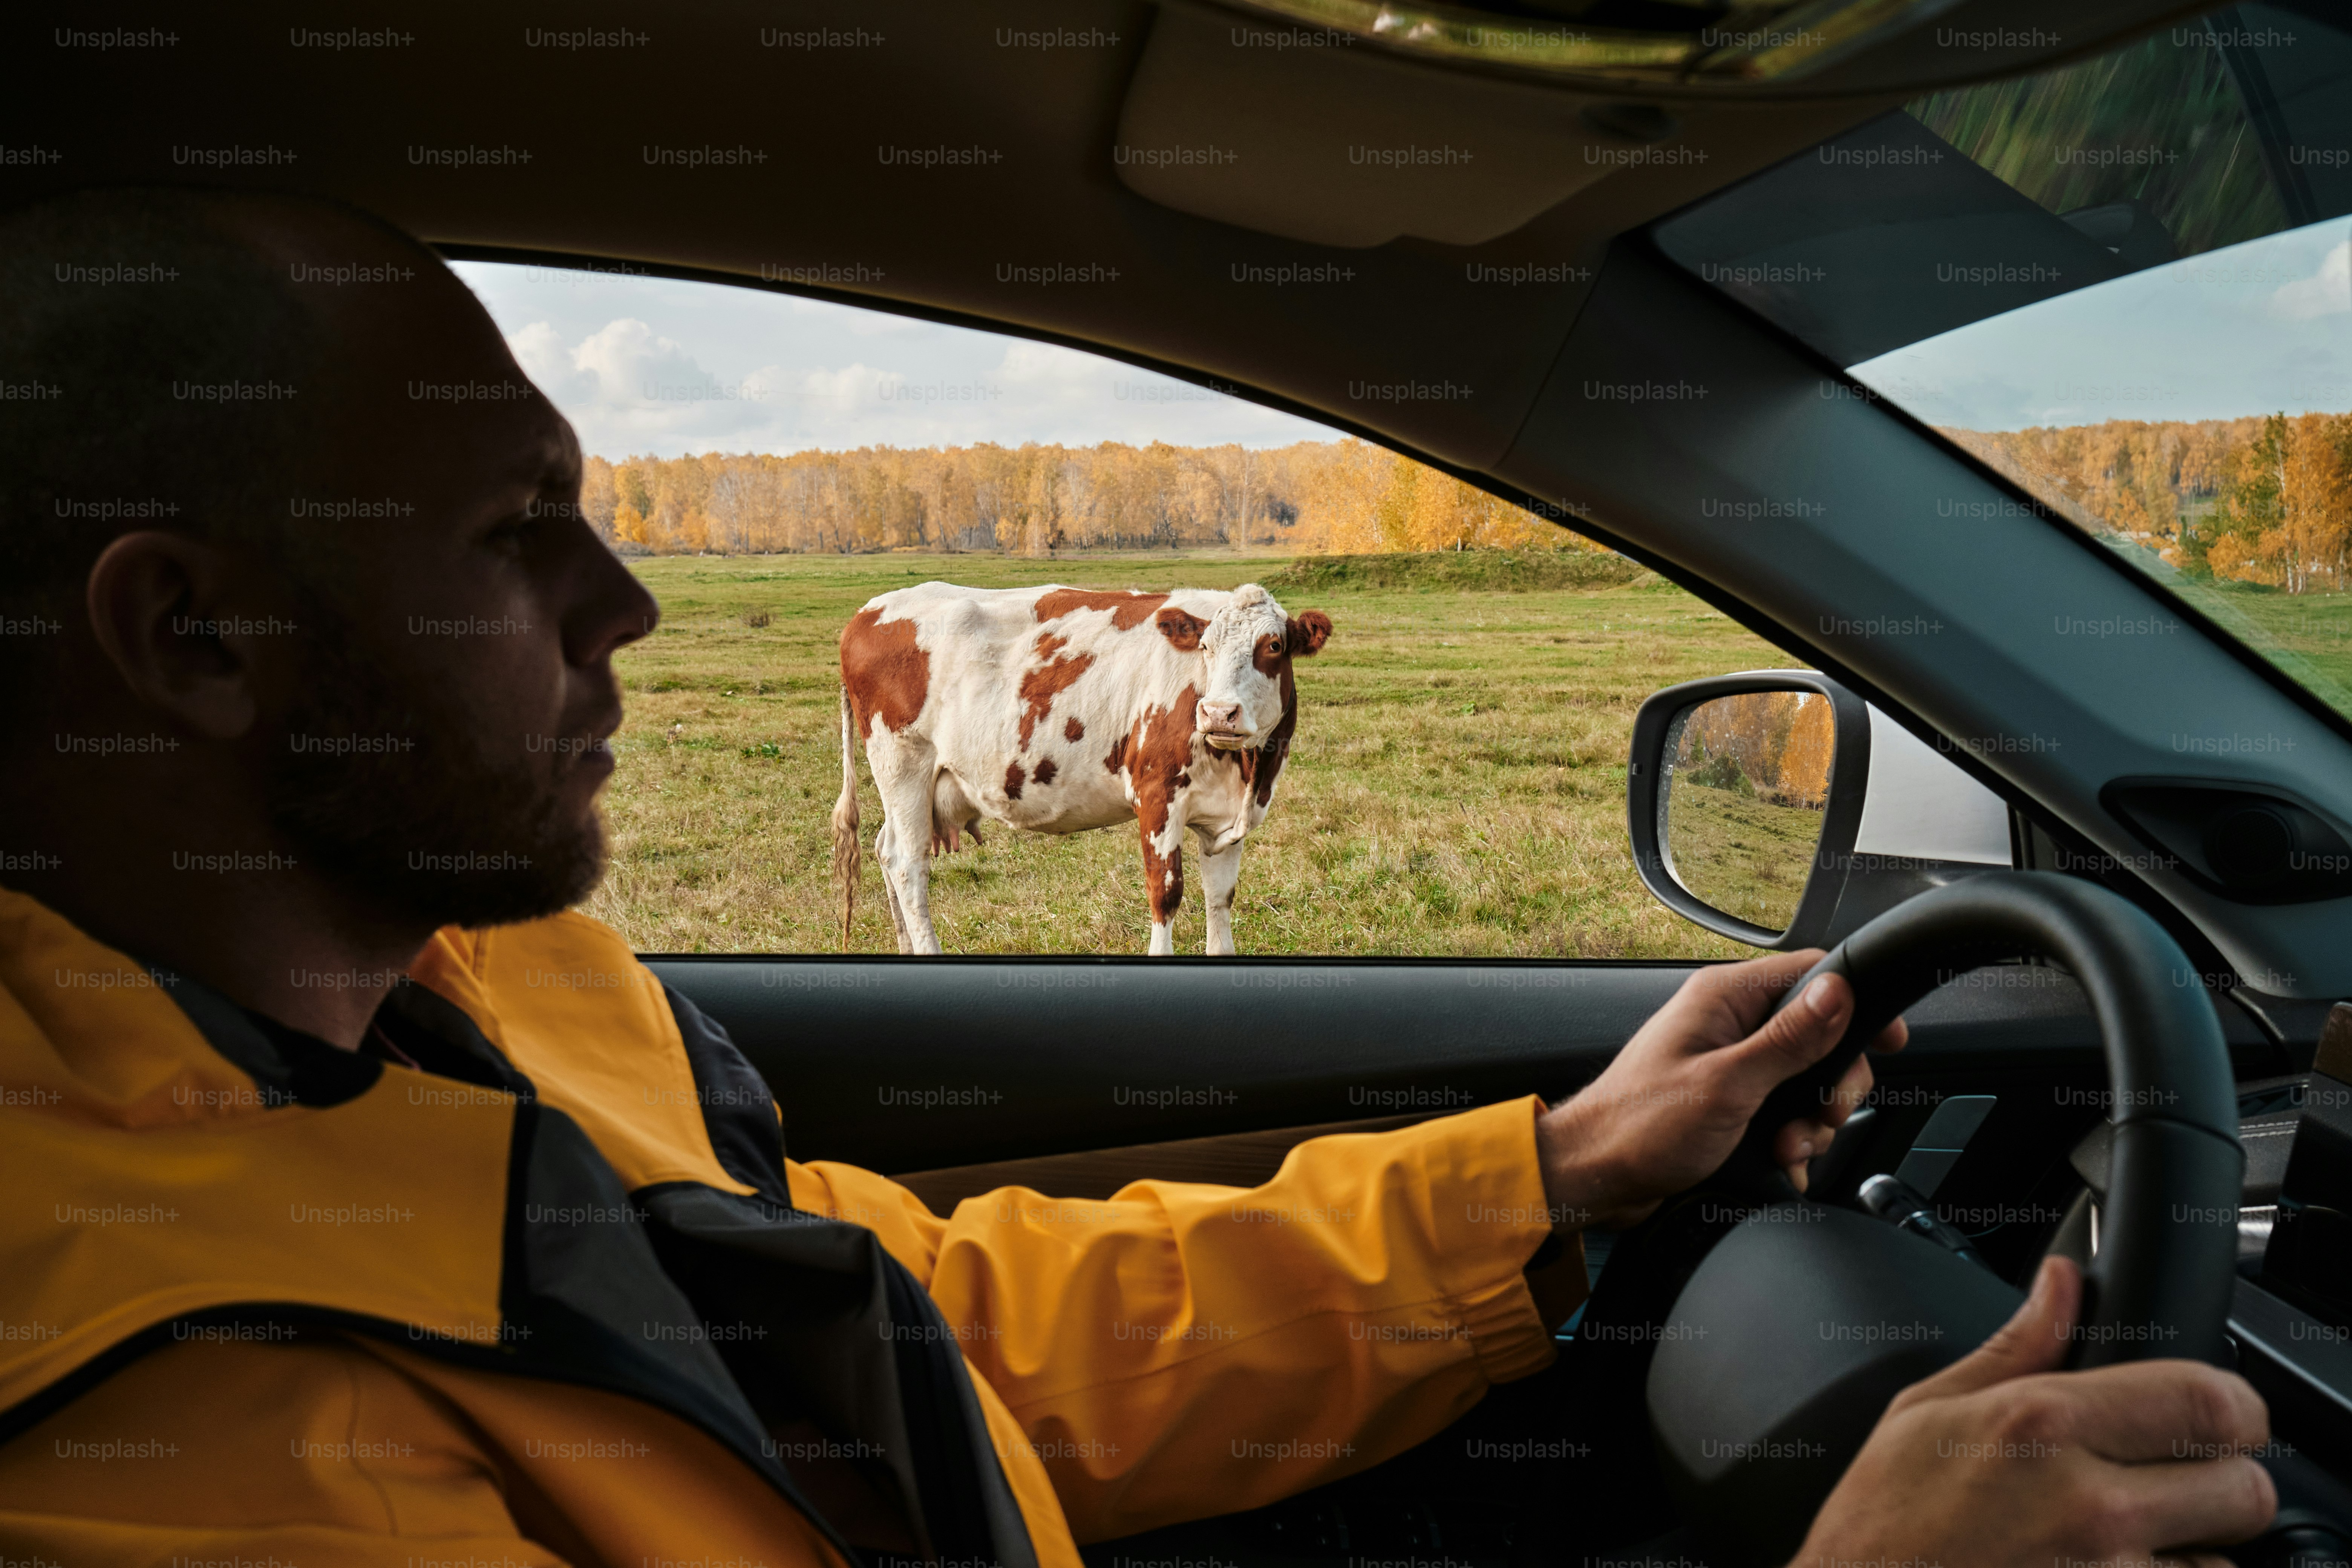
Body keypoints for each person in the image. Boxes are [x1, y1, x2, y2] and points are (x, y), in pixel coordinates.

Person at [0, 187, 2277, 1567]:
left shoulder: (504, 990)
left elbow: (928, 1331)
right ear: (187, 638)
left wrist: (1556, 1172)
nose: (630, 607)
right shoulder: (164, 1432)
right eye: (512, 538)